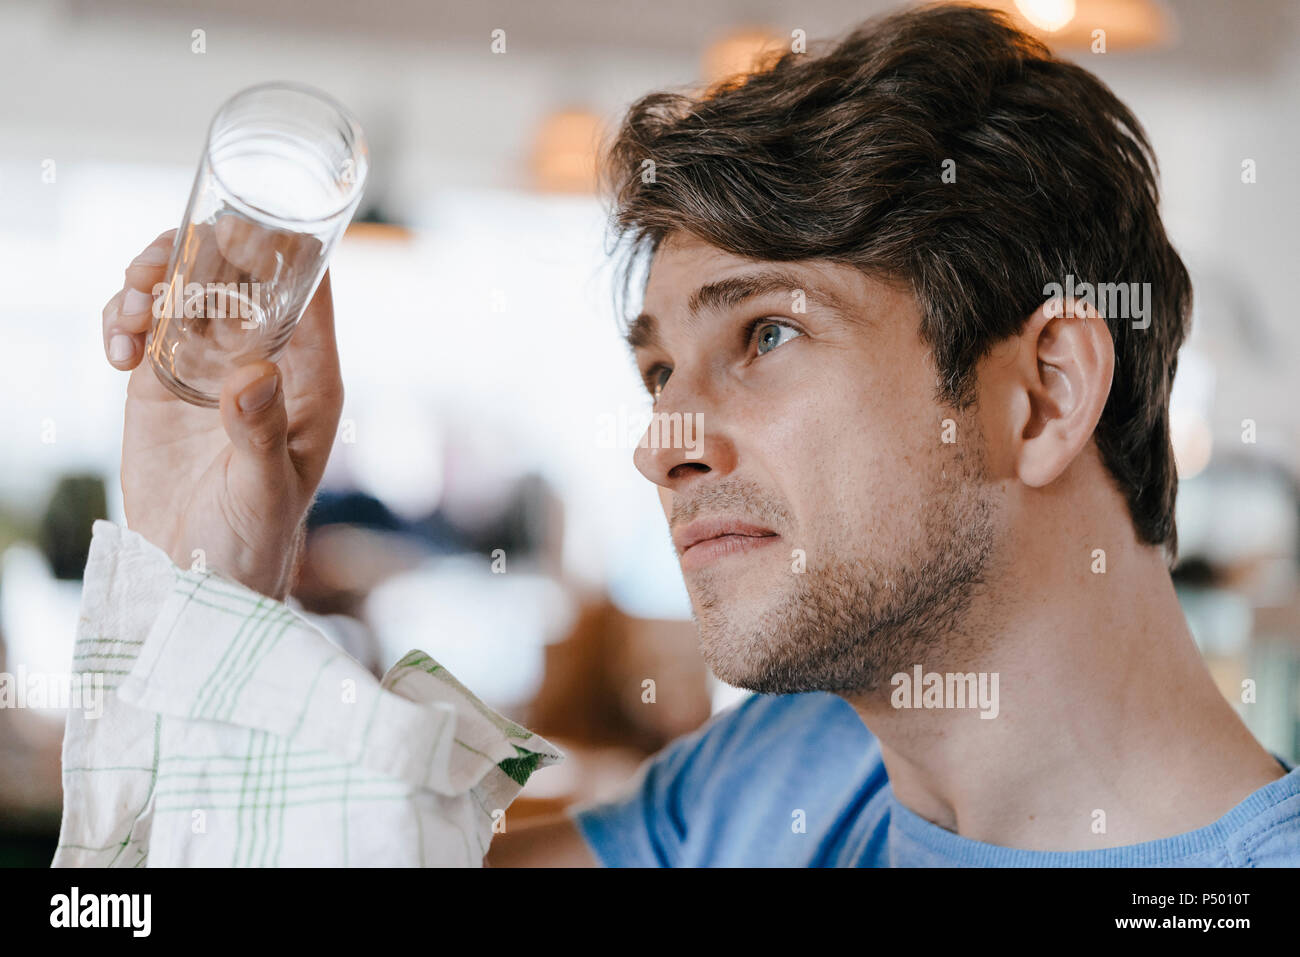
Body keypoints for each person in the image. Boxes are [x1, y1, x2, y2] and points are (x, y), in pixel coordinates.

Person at [96, 3, 1300, 867]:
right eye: (659, 370)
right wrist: (204, 580)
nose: (659, 442)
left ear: (1041, 393)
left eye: (767, 334)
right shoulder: (782, 778)